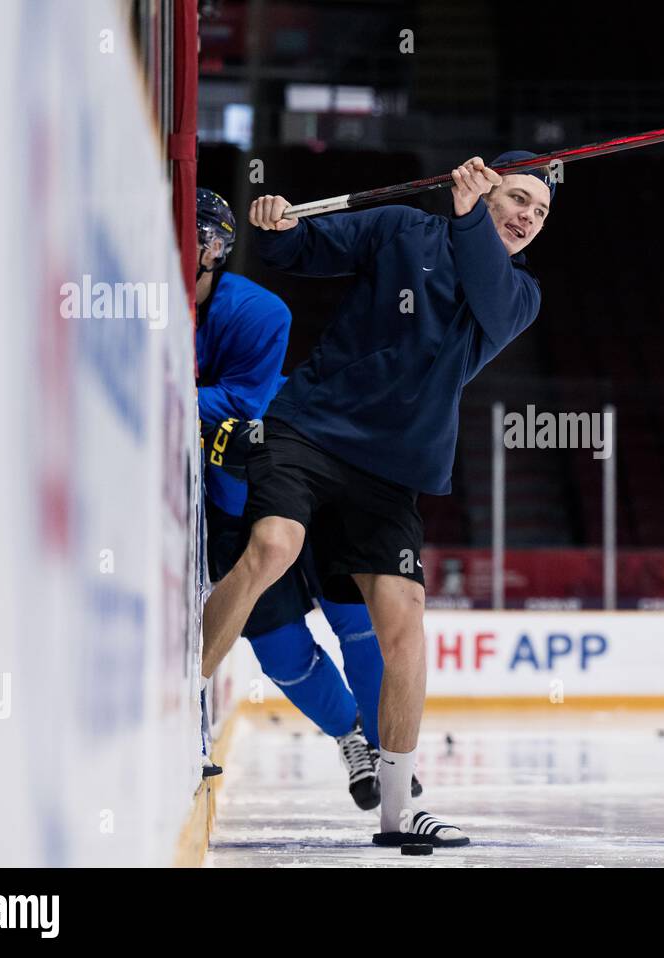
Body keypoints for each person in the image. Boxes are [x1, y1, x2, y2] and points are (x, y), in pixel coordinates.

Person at [199, 152, 554, 847]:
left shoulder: (517, 293)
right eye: (516, 198)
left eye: (539, 213)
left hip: (391, 472)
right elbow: (300, 247)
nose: (526, 218)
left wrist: (467, 219)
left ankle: (398, 809)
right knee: (274, 546)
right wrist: (274, 221)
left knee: (404, 619)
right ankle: (180, 714)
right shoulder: (399, 229)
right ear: (482, 189)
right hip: (310, 429)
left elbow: (480, 277)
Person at [194, 188, 415, 809]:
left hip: (297, 477)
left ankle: (383, 745)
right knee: (283, 653)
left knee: (357, 623)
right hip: (228, 504)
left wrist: (173, 394)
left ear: (214, 251)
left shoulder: (258, 311)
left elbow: (241, 402)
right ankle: (351, 739)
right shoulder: (140, 308)